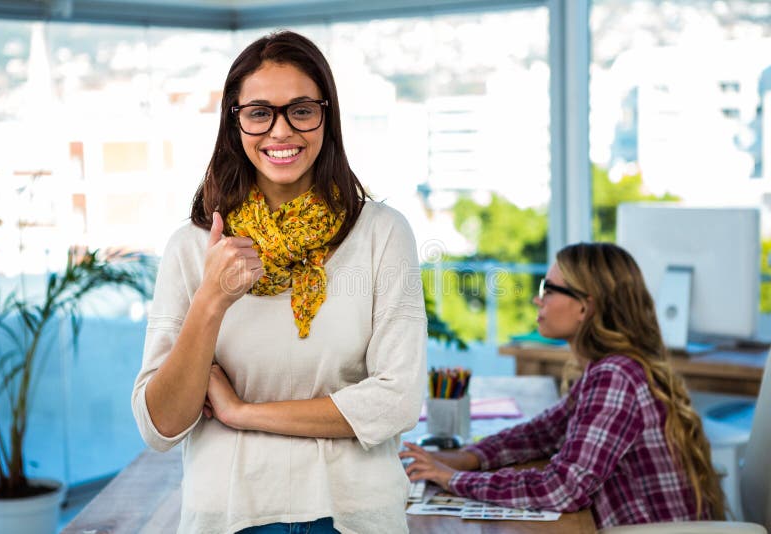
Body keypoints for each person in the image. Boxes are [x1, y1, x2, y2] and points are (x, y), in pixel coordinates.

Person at [132, 31, 427, 534]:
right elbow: (161, 426)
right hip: (230, 515)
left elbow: (397, 400)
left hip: (352, 514)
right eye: (259, 112)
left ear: (326, 116)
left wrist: (243, 413)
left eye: (302, 109)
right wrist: (211, 300)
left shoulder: (381, 232)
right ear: (235, 122)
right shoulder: (192, 246)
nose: (281, 131)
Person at [400, 242, 726, 528]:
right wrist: (467, 458)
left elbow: (562, 488)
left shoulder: (615, 376)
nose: (536, 300)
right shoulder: (610, 368)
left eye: (549, 289)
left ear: (586, 306)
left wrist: (453, 479)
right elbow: (541, 433)